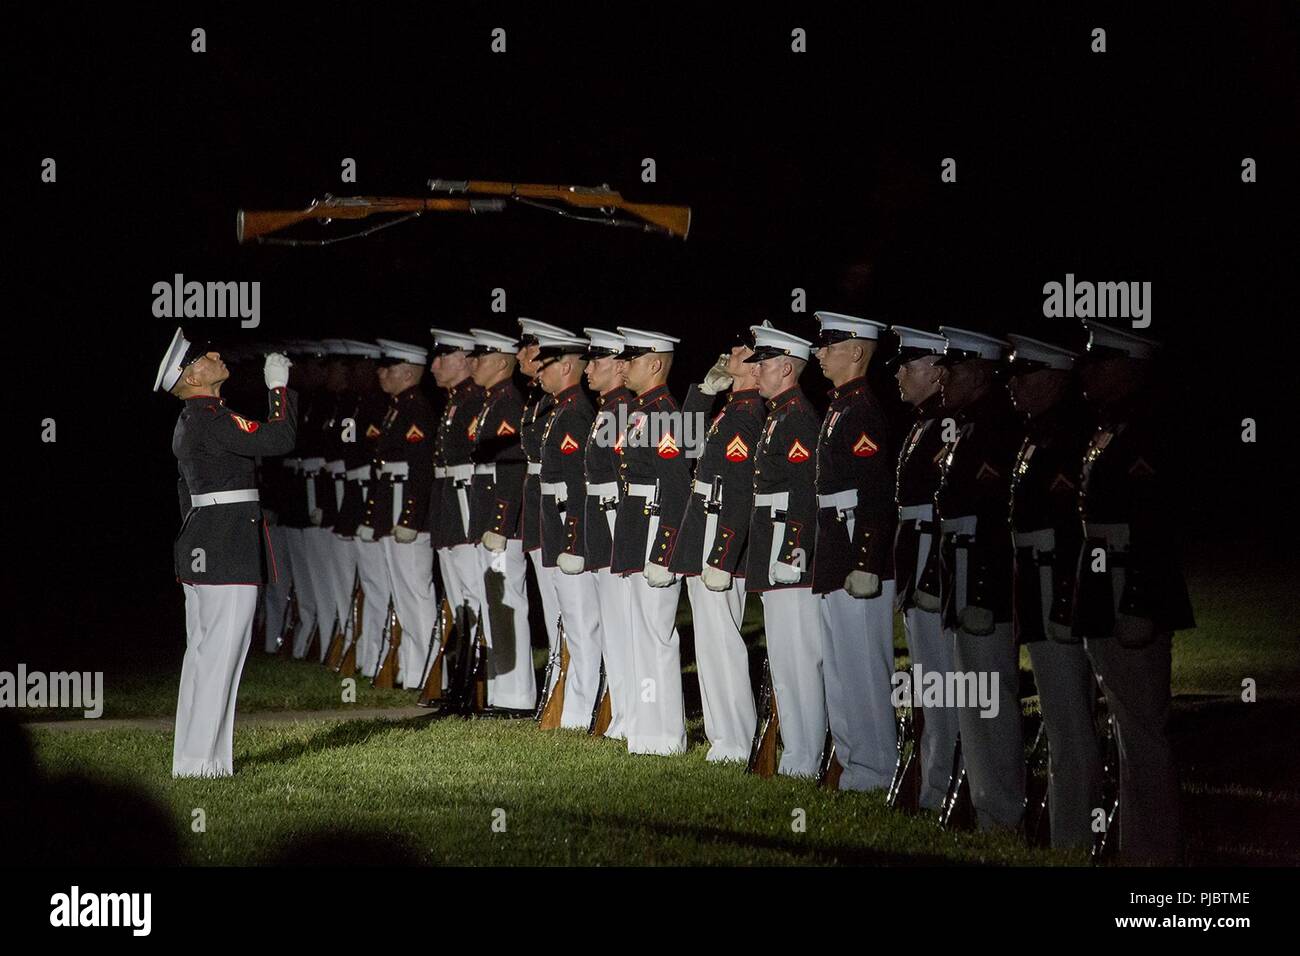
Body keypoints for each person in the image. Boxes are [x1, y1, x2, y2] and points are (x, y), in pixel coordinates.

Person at [1073, 320, 1193, 865]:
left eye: (1102, 362)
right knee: (1129, 726)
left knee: (1143, 729)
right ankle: (1138, 845)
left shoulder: (1145, 431)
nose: (1090, 371)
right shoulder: (1115, 426)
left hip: (1128, 583)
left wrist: (1139, 600)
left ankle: (1154, 852)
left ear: (1128, 369)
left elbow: (1152, 524)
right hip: (1108, 580)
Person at [155, 327, 296, 777]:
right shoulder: (212, 417)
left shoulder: (194, 420)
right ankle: (202, 764)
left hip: (205, 543)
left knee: (203, 656)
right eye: (204, 356)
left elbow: (185, 493)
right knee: (220, 658)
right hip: (227, 548)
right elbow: (278, 441)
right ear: (193, 377)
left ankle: (199, 759)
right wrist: (279, 390)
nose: (216, 355)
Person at [1005, 333, 1101, 849]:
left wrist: (1064, 600)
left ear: (1055, 379)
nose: (1014, 384)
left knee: (1069, 717)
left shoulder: (1063, 438)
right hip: (1041, 584)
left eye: (1026, 374)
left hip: (1057, 585)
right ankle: (1069, 828)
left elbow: (1069, 532)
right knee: (1061, 717)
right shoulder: (1038, 434)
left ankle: (1076, 832)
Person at [933, 326, 1025, 830]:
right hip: (963, 575)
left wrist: (985, 592)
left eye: (954, 367)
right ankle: (989, 806)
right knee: (976, 698)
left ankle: (1002, 811)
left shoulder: (994, 428)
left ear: (981, 372)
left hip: (980, 577)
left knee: (989, 697)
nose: (943, 375)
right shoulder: (969, 425)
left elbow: (992, 518)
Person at [810, 312, 898, 791]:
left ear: (857, 352)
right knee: (843, 664)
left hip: (852, 544)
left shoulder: (862, 409)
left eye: (830, 345)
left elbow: (874, 491)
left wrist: (866, 561)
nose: (820, 353)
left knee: (863, 663)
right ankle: (854, 762)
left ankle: (878, 766)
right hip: (835, 542)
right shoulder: (842, 405)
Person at [669, 336, 763, 762]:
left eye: (740, 353)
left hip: (720, 530)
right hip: (705, 524)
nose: (728, 355)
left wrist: (722, 557)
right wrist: (704, 393)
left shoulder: (749, 416)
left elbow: (740, 491)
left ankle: (736, 739)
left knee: (721, 641)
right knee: (709, 642)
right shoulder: (730, 410)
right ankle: (722, 736)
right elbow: (681, 446)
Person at [743, 322, 825, 777]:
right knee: (786, 659)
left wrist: (793, 552)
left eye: (765, 363)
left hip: (788, 552)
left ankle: (806, 756)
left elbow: (802, 491)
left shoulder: (796, 417)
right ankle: (797, 755)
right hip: (774, 544)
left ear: (788, 368)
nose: (757, 371)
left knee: (799, 658)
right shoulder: (779, 414)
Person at [611, 327, 691, 756]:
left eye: (633, 358)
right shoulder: (642, 411)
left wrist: (664, 551)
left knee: (657, 636)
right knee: (640, 634)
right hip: (636, 529)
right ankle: (645, 729)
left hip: (654, 529)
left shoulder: (664, 413)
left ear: (656, 363)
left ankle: (665, 734)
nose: (623, 365)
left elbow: (676, 488)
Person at [888, 324, 957, 809]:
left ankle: (945, 784)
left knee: (942, 679)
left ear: (936, 372)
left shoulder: (947, 424)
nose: (899, 373)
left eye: (909, 365)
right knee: (928, 678)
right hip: (917, 558)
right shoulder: (920, 423)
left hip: (935, 560)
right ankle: (935, 782)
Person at [357, 338, 437, 688]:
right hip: (392, 507)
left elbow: (420, 469)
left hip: (406, 512)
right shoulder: (397, 407)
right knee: (403, 593)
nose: (381, 373)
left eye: (389, 368)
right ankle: (411, 666)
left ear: (407, 372)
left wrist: (410, 519)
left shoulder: (417, 408)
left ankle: (429, 670)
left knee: (416, 592)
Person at [535, 334, 603, 728]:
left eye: (546, 365)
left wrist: (574, 539)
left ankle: (585, 707)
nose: (538, 372)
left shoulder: (576, 411)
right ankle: (577, 706)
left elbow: (579, 482)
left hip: (567, 522)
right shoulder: (560, 408)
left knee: (582, 622)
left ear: (565, 367)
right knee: (572, 620)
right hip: (556, 519)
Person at [467, 328, 534, 710]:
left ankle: (517, 694)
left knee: (507, 600)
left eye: (481, 357)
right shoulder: (493, 401)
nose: (473, 364)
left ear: (499, 363)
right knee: (494, 601)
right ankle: (502, 689)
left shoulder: (508, 402)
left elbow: (510, 468)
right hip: (489, 519)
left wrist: (500, 524)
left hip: (500, 526)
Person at [581, 328, 635, 739]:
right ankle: (622, 714)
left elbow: (625, 475)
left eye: (596, 361)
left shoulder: (622, 411)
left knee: (624, 625)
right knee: (614, 626)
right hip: (604, 520)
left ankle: (632, 714)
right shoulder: (608, 409)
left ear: (620, 366)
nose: (588, 369)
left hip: (617, 519)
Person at [516, 319, 576, 684]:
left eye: (532, 347)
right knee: (555, 603)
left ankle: (569, 688)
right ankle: (559, 684)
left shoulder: (565, 406)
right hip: (543, 502)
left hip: (558, 507)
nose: (523, 355)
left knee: (568, 608)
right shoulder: (539, 400)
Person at [429, 328, 486, 658]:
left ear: (465, 359)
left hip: (465, 499)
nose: (434, 365)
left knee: (472, 586)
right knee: (457, 590)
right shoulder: (456, 400)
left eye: (442, 357)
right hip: (450, 498)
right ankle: (465, 670)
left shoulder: (475, 400)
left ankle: (477, 670)